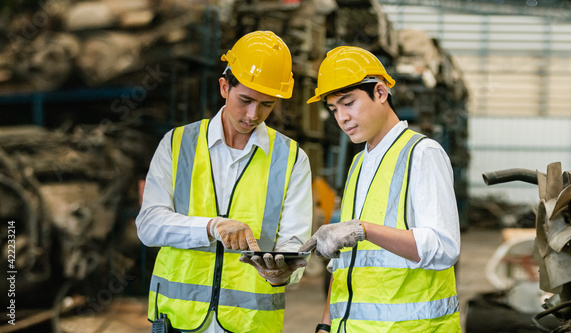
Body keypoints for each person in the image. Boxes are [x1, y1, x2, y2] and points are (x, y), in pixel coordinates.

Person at [136, 31, 312, 332]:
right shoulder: (177, 144)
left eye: (267, 105)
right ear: (223, 87)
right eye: (245, 100)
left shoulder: (292, 158)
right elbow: (149, 226)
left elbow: (295, 244)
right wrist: (211, 227)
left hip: (252, 324)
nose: (253, 114)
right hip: (178, 320)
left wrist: (284, 274)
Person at [300, 46, 461, 332]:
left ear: (380, 93)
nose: (342, 118)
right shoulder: (359, 163)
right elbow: (345, 263)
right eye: (334, 109)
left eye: (348, 103)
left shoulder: (422, 154)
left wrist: (364, 229)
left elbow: (443, 248)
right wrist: (325, 325)